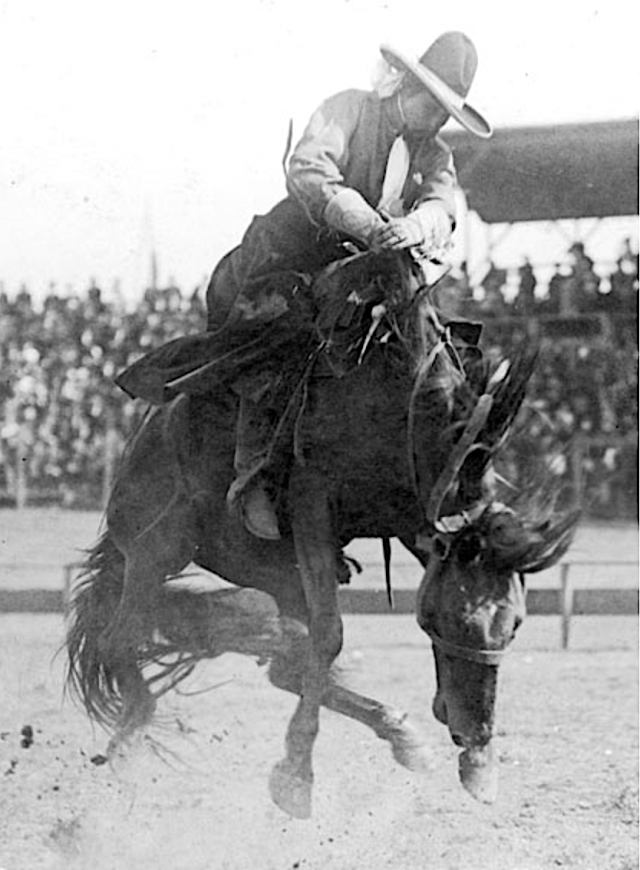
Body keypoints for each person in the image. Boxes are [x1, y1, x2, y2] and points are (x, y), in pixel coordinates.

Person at [119, 32, 492, 539]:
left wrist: (417, 225)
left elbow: (443, 204)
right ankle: (255, 472)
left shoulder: (436, 153)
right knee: (280, 332)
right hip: (294, 250)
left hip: (373, 267)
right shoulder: (349, 109)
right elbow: (310, 166)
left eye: (447, 111)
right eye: (434, 104)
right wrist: (369, 224)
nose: (439, 118)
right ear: (409, 87)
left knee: (435, 346)